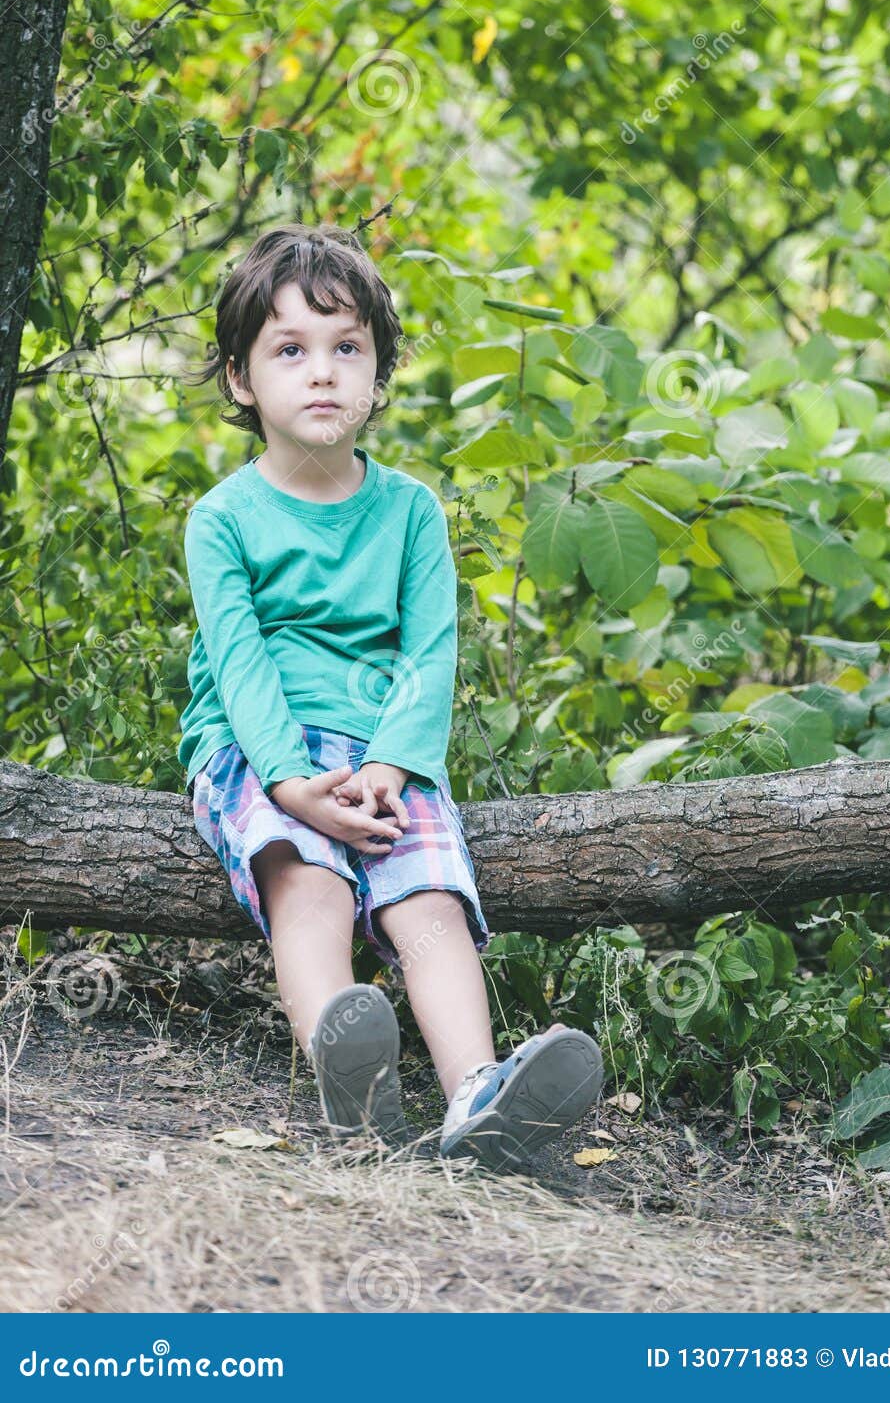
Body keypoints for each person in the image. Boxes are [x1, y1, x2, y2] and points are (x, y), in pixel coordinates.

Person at [177, 223, 603, 1171]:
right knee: (311, 887)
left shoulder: (409, 509)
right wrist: (289, 783)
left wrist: (387, 767)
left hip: (385, 758)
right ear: (243, 381)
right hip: (261, 749)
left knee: (430, 905)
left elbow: (429, 653)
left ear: (377, 372)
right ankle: (351, 1077)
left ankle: (479, 1105)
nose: (321, 372)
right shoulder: (223, 519)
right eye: (290, 350)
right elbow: (238, 664)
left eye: (345, 349)